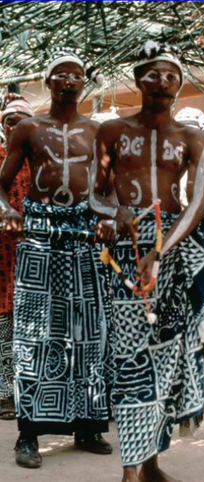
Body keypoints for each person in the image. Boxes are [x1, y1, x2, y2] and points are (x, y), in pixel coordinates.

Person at [89, 40, 204, 482]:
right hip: (127, 255)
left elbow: (197, 201)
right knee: (130, 358)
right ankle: (131, 471)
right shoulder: (111, 131)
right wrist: (114, 212)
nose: (162, 82)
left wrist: (160, 252)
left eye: (171, 76)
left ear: (179, 83)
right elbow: (96, 194)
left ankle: (150, 463)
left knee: (166, 359)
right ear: (137, 80)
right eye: (153, 75)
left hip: (172, 251)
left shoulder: (192, 138)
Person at [0, 52, 113, 469]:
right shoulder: (29, 128)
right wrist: (8, 212)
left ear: (84, 83)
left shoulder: (98, 131)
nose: (69, 81)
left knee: (89, 331)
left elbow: (108, 188)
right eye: (61, 74)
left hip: (84, 233)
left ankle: (88, 425)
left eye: (76, 75)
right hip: (41, 232)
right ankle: (29, 434)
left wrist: (107, 217)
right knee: (35, 332)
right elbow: (1, 185)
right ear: (47, 82)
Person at [0, 93, 33, 422]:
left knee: (29, 322)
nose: (16, 127)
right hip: (3, 251)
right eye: (10, 122)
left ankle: (28, 391)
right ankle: (5, 394)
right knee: (3, 321)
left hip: (32, 247)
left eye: (22, 122)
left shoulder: (38, 160)